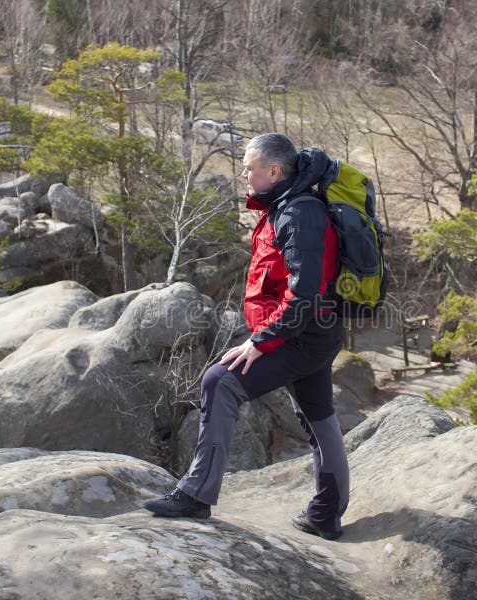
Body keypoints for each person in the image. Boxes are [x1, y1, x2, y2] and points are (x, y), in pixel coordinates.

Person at [144, 133, 349, 540]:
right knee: (318, 417)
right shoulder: (283, 206)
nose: (243, 174)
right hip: (307, 334)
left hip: (302, 336)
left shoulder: (299, 213)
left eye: (249, 167)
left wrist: (260, 341)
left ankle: (196, 495)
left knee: (220, 381)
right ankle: (326, 515)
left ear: (273, 171)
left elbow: (303, 292)